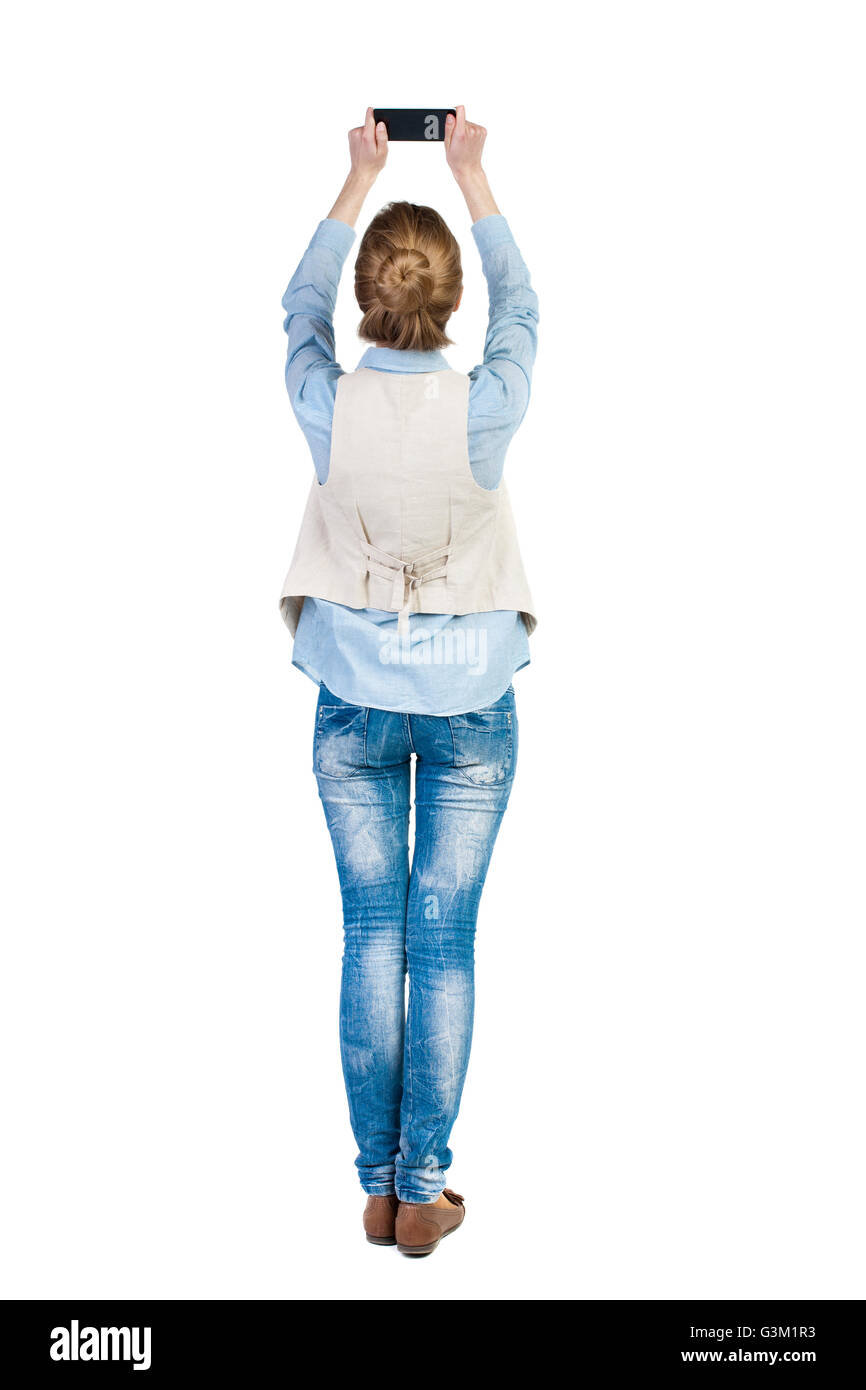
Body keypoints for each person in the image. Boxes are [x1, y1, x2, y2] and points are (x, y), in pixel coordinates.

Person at [279, 106, 539, 1256]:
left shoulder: (328, 403)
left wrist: (356, 179)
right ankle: (423, 1182)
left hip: (353, 694)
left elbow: (293, 311)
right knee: (441, 940)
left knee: (367, 930)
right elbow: (525, 309)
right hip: (472, 692)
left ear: (367, 304)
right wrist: (473, 175)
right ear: (446, 305)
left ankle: (379, 1186)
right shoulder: (487, 404)